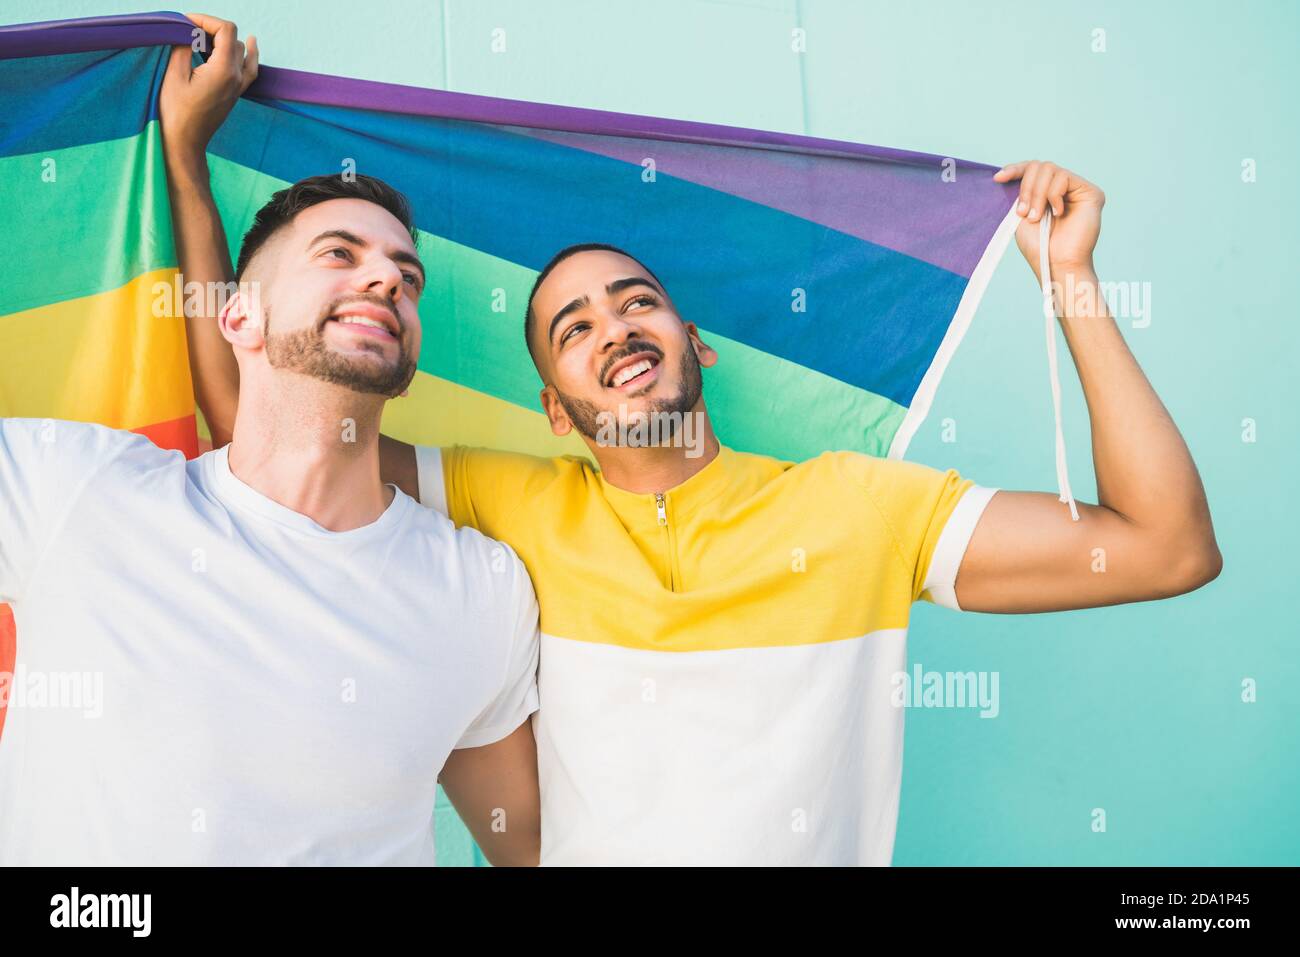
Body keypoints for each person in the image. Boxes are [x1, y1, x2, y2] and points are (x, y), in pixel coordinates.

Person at [169, 17, 1221, 865]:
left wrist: (1068, 279)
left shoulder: (862, 507)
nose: (613, 329)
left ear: (695, 346)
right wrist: (186, 158)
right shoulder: (515, 506)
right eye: (572, 329)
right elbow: (261, 410)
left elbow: (1166, 546)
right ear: (552, 408)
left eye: (635, 305)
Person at [0, 20, 543, 866]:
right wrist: (183, 158)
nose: (385, 280)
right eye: (342, 253)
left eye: (408, 279)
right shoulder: (71, 488)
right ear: (238, 316)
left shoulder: (483, 586)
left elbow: (533, 844)